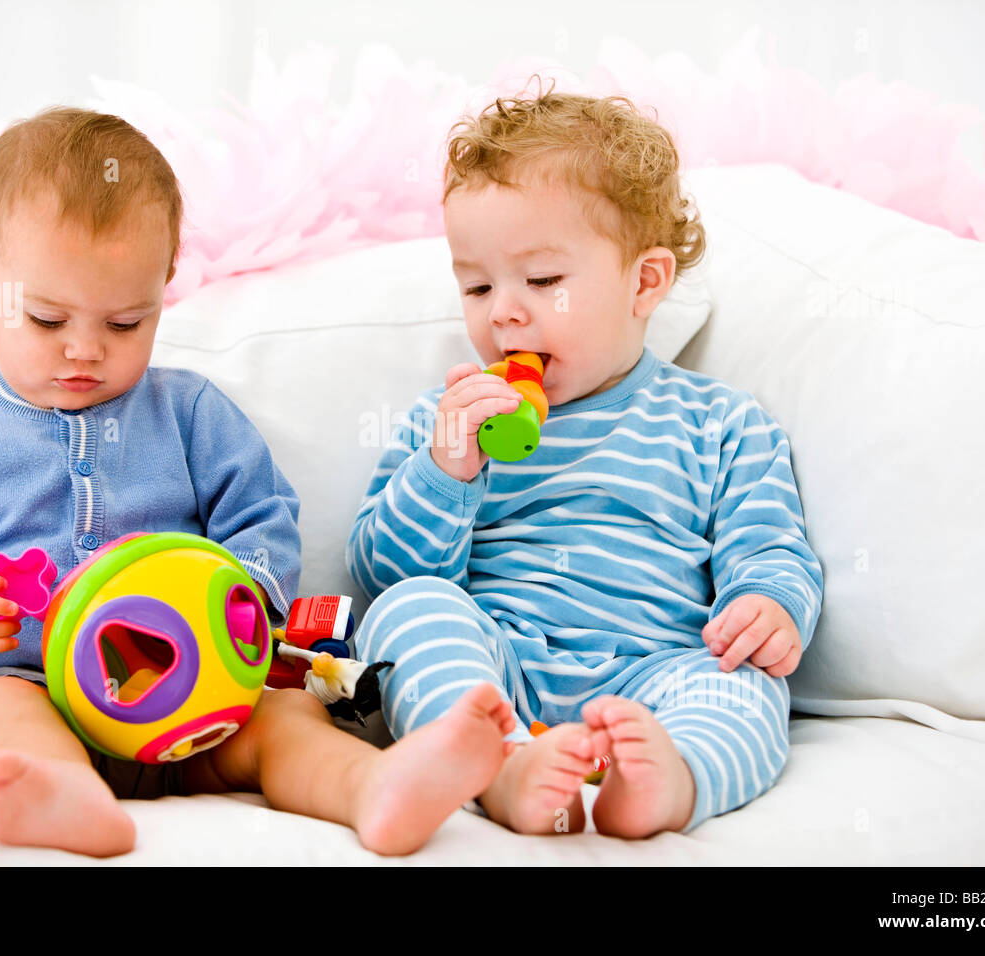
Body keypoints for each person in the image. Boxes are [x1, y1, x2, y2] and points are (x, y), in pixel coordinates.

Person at [0, 106, 514, 858]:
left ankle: (373, 788)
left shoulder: (192, 414)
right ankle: (62, 794)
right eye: (44, 319)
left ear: (163, 291)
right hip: (32, 685)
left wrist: (241, 602)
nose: (84, 350)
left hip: (195, 700)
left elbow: (262, 517)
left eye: (125, 323)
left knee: (285, 721)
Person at [348, 88, 825, 838]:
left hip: (657, 670)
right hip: (498, 661)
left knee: (750, 687)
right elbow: (385, 572)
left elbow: (770, 547)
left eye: (541, 282)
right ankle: (499, 767)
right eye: (477, 286)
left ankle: (668, 783)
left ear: (645, 283)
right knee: (407, 614)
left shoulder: (721, 424)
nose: (502, 310)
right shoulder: (450, 422)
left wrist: (769, 606)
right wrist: (446, 475)